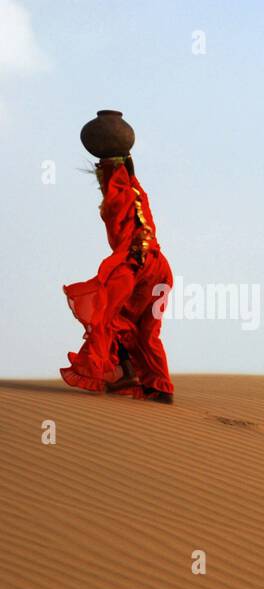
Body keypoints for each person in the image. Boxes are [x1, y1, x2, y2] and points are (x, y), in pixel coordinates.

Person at [61, 155, 175, 403]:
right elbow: (128, 180)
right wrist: (123, 163)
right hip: (160, 268)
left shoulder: (118, 199)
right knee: (147, 332)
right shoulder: (139, 196)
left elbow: (116, 186)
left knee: (108, 318)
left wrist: (111, 165)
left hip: (132, 266)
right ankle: (160, 388)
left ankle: (129, 372)